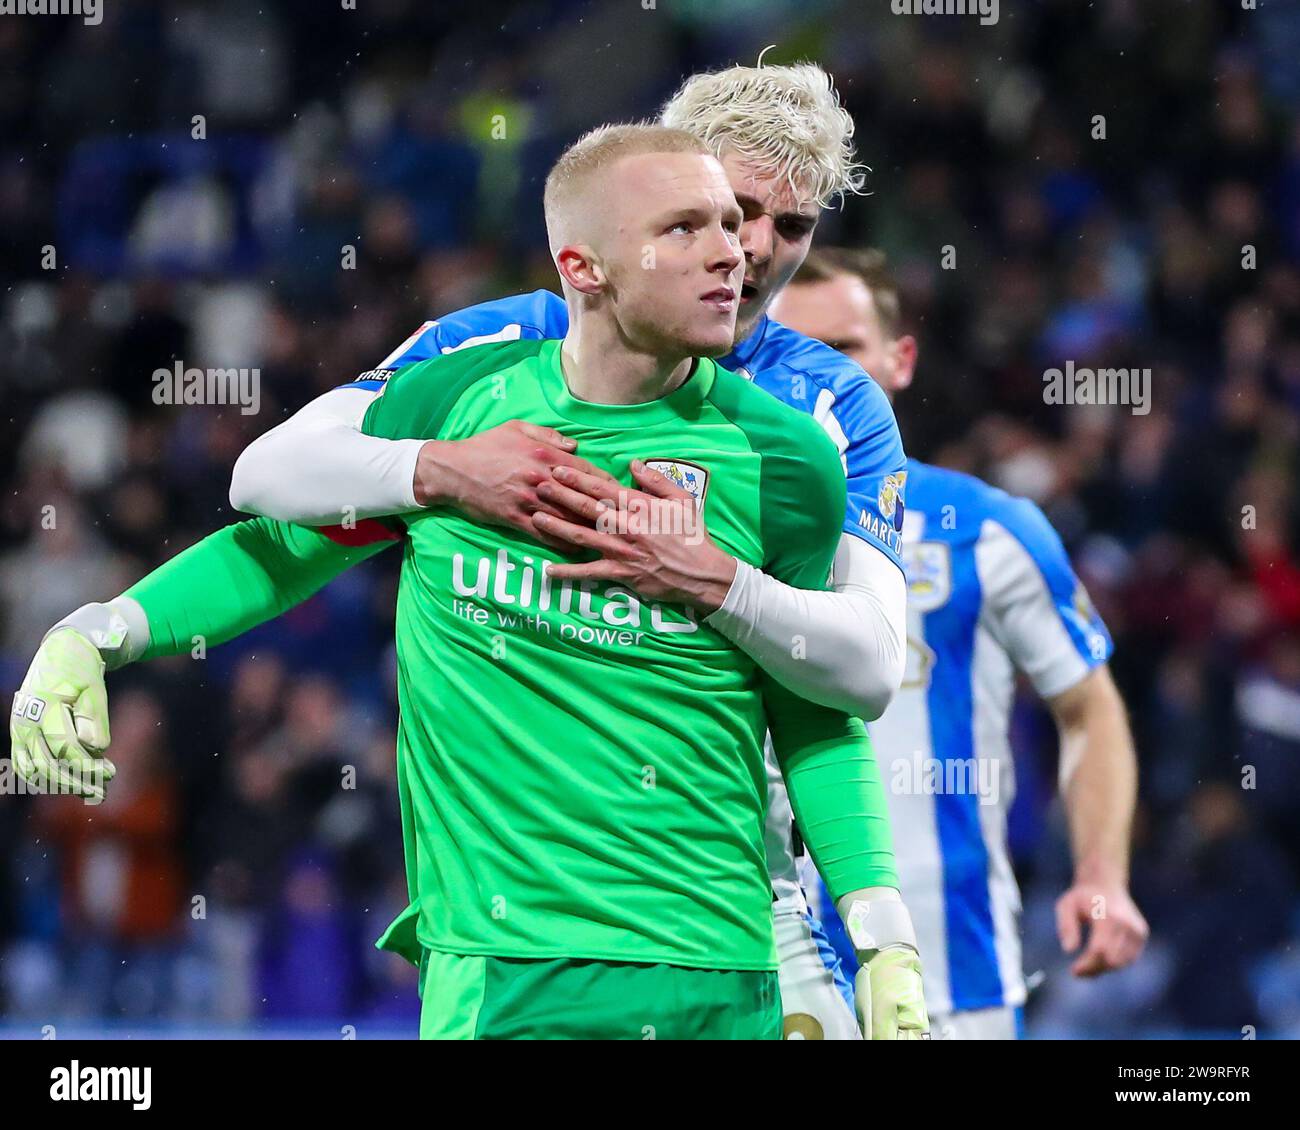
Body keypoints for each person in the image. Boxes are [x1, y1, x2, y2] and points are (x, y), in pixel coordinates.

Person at [12, 63, 924, 1039]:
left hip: (748, 906)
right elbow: (280, 505)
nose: (752, 251)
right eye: (721, 213)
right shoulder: (488, 363)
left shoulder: (815, 425)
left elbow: (851, 678)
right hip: (506, 941)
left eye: (792, 229)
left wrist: (881, 926)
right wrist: (440, 471)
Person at [769, 247, 1150, 1039]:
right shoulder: (709, 525)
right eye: (785, 348)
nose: (810, 375)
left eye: (841, 349)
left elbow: (1089, 711)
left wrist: (1103, 871)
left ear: (900, 361)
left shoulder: (986, 531)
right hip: (763, 971)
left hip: (955, 982)